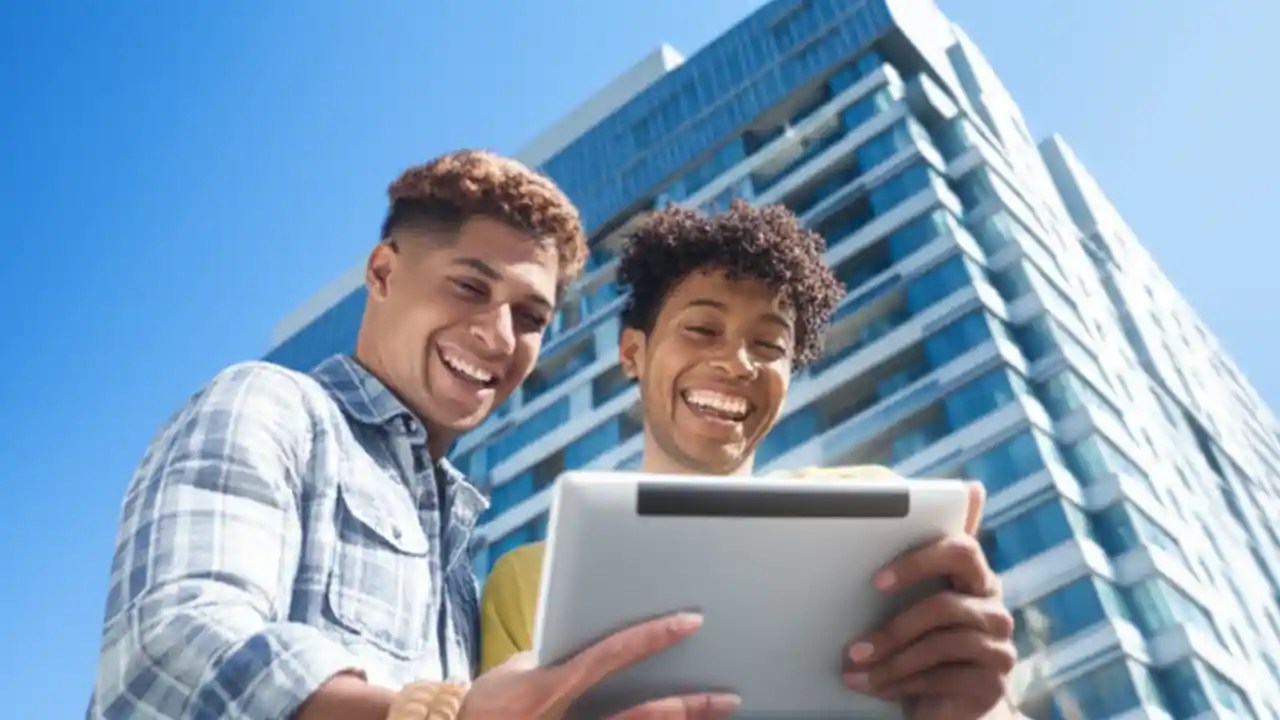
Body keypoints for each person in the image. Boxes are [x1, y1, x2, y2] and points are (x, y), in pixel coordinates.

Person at [89, 149, 739, 720]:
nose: (499, 336)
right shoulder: (271, 405)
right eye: (468, 287)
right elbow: (168, 650)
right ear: (382, 273)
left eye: (530, 316)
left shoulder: (459, 567)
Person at [480, 201, 1020, 718]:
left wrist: (984, 711)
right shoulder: (527, 579)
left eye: (768, 345)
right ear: (633, 355)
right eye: (701, 329)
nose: (738, 363)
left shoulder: (873, 510)